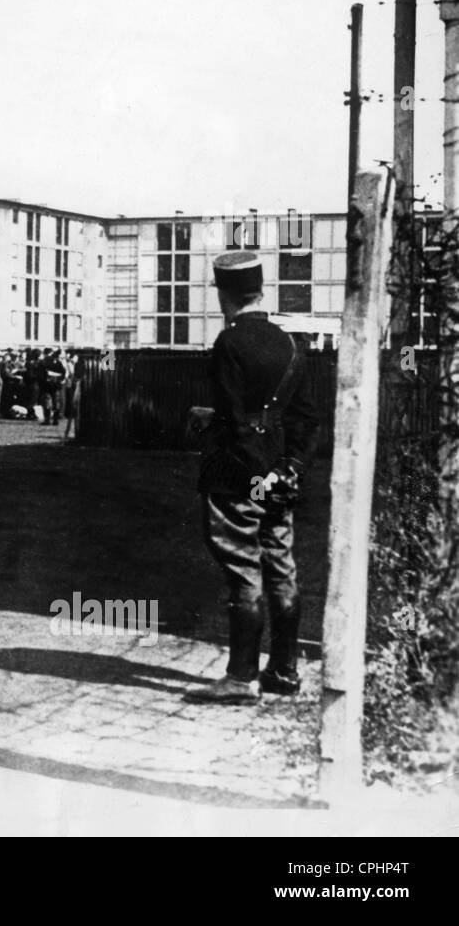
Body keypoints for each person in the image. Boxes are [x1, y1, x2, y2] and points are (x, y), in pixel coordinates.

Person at [187, 250, 319, 704]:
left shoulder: (229, 343)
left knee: (245, 574)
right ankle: (283, 672)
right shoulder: (290, 344)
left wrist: (210, 420)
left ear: (223, 294)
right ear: (261, 292)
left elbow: (238, 422)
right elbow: (303, 420)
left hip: (235, 478)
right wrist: (287, 473)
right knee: (282, 570)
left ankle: (240, 680)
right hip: (280, 478)